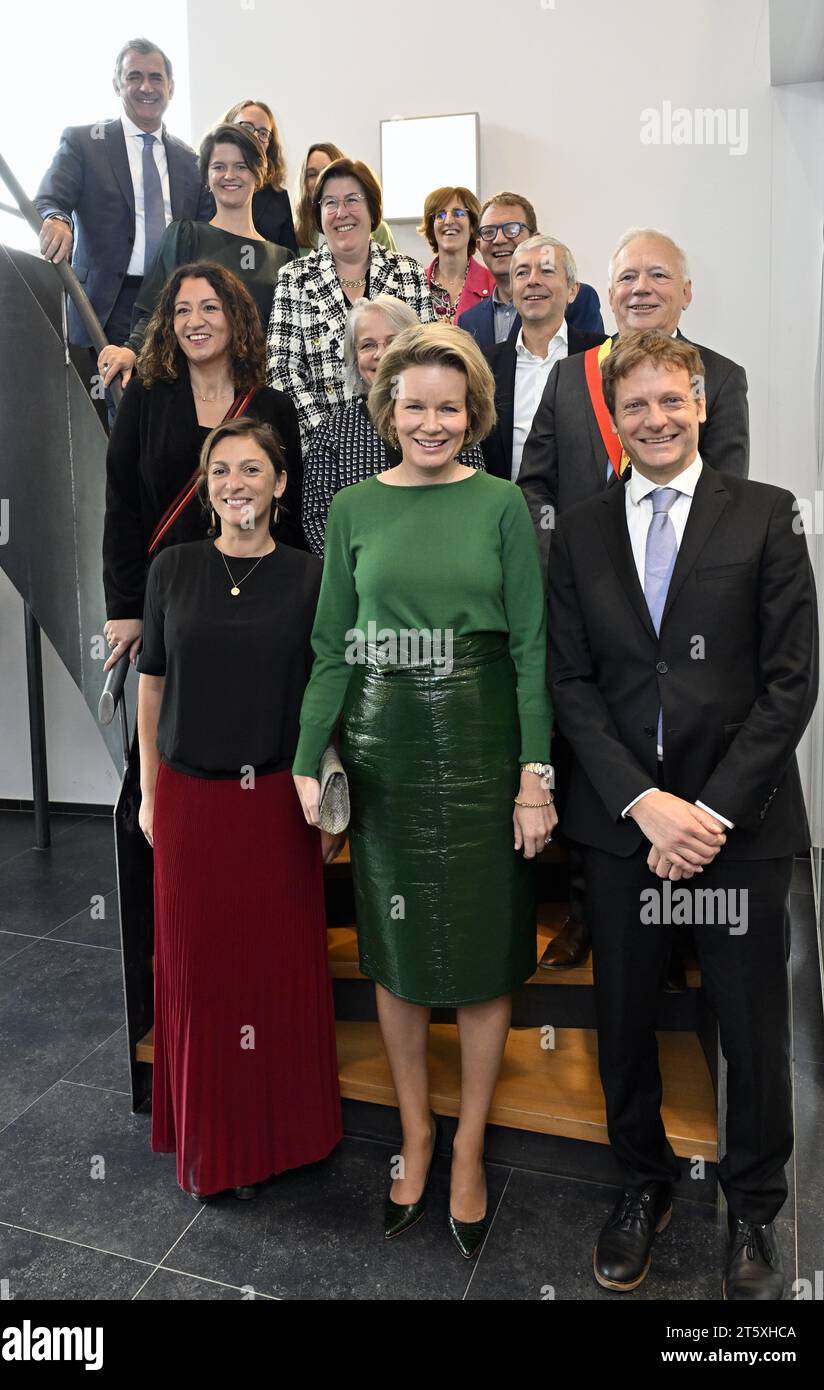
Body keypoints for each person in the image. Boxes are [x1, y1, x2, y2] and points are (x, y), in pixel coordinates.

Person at [547, 330, 817, 1299]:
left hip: (737, 828)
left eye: (673, 400)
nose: (656, 419)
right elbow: (571, 683)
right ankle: (642, 1185)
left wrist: (705, 811)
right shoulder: (578, 530)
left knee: (753, 1030)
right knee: (623, 1024)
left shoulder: (768, 515)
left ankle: (753, 1209)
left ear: (701, 403)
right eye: (636, 406)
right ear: (613, 421)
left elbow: (792, 686)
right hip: (623, 825)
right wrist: (646, 803)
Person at [292, 322, 556, 1259]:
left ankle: (472, 1146)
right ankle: (415, 1132)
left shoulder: (501, 506)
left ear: (473, 412)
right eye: (416, 405)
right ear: (389, 409)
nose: (432, 421)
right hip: (383, 747)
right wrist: (304, 757)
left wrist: (536, 775)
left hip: (487, 743)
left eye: (450, 406)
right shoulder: (356, 508)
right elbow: (331, 647)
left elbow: (531, 648)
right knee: (395, 954)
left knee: (485, 953)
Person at [519, 227, 751, 974]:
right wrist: (572, 568)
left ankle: (683, 918)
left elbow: (733, 496)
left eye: (659, 276)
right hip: (591, 615)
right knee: (596, 759)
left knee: (682, 749)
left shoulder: (723, 375)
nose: (641, 288)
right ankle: (592, 911)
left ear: (687, 293)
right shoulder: (570, 376)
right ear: (606, 293)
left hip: (686, 617)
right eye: (627, 278)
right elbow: (536, 486)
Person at [136, 417, 343, 1198]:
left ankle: (281, 1140)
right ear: (205, 486)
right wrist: (152, 794)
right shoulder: (171, 570)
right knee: (202, 982)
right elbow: (152, 687)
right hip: (191, 802)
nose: (235, 484)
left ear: (280, 485)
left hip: (277, 809)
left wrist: (327, 804)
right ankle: (213, 1146)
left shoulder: (311, 576)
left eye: (252, 469)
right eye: (220, 470)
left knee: (275, 977)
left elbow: (326, 697)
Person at [102, 262, 303, 673]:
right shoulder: (145, 397)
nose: (195, 321)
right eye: (182, 310)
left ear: (235, 316)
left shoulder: (274, 407)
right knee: (171, 723)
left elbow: (289, 511)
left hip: (256, 589)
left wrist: (297, 597)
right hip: (170, 598)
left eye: (210, 308)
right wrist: (125, 606)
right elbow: (121, 504)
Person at [35, 38, 213, 359]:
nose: (146, 86)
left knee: (163, 405)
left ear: (170, 88)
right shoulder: (84, 143)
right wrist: (58, 219)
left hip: (173, 301)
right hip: (104, 304)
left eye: (156, 77)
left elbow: (207, 232)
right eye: (134, 76)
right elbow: (51, 197)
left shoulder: (192, 161)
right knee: (110, 406)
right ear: (117, 84)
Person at [99, 123, 293, 388]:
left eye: (241, 166)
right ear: (206, 177)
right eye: (218, 167)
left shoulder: (283, 260)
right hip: (186, 390)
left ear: (258, 174)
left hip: (254, 397)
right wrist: (131, 350)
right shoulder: (183, 236)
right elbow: (153, 312)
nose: (229, 175)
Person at [267, 157, 434, 447]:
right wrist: (334, 438)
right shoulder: (294, 278)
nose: (341, 212)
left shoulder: (409, 272)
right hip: (325, 449)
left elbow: (428, 358)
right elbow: (282, 370)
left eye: (352, 200)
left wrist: (403, 426)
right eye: (330, 203)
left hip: (406, 441)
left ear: (373, 208)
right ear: (319, 215)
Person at [303, 295, 485, 554]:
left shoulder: (451, 421)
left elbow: (474, 499)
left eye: (392, 341)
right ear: (354, 356)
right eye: (367, 345)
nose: (380, 354)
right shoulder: (332, 433)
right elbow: (317, 519)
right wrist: (357, 572)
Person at [480, 236, 605, 480]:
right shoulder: (486, 365)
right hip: (508, 509)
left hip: (583, 510)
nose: (532, 281)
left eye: (546, 271)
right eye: (522, 273)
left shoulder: (602, 355)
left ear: (572, 290)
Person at [458, 192, 604, 347]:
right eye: (488, 232)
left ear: (535, 239)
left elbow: (591, 363)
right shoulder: (468, 321)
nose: (499, 239)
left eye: (512, 229)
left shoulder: (575, 299)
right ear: (479, 246)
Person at [222, 99, 298, 253]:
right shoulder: (206, 187)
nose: (255, 136)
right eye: (247, 127)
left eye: (263, 133)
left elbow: (290, 259)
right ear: (227, 129)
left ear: (269, 145)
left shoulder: (278, 197)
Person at [294, 143, 397, 256]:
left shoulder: (379, 230)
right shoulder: (298, 233)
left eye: (326, 171)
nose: (320, 178)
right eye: (312, 174)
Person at [418, 186, 494, 322]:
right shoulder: (414, 284)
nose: (448, 221)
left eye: (458, 213)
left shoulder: (493, 285)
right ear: (432, 227)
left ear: (472, 225)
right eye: (440, 215)